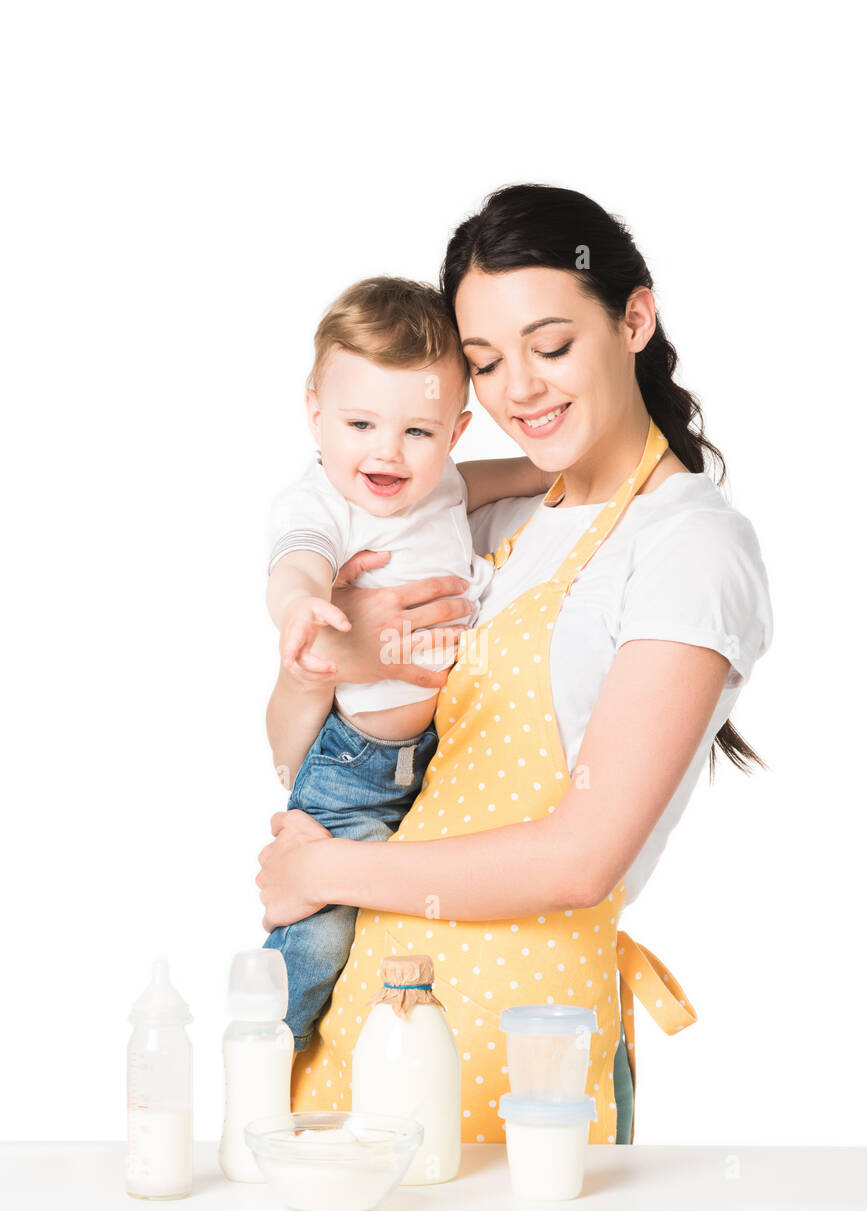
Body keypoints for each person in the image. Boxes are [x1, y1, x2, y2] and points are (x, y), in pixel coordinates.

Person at [257, 185, 773, 1144]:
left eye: (551, 345)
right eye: (486, 363)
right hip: (371, 1018)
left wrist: (325, 867)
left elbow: (578, 859)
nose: (518, 391)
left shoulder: (687, 546)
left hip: (524, 1039)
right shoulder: (483, 518)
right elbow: (301, 760)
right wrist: (323, 661)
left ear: (632, 317)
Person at [263, 276, 548, 1055]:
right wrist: (301, 609)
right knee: (319, 937)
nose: (386, 451)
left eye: (417, 432)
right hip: (354, 764)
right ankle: (267, 1047)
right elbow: (296, 559)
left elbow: (480, 483)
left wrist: (545, 471)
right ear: (316, 413)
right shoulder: (320, 499)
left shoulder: (441, 483)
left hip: (435, 764)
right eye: (360, 423)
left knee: (401, 937)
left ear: (453, 432)